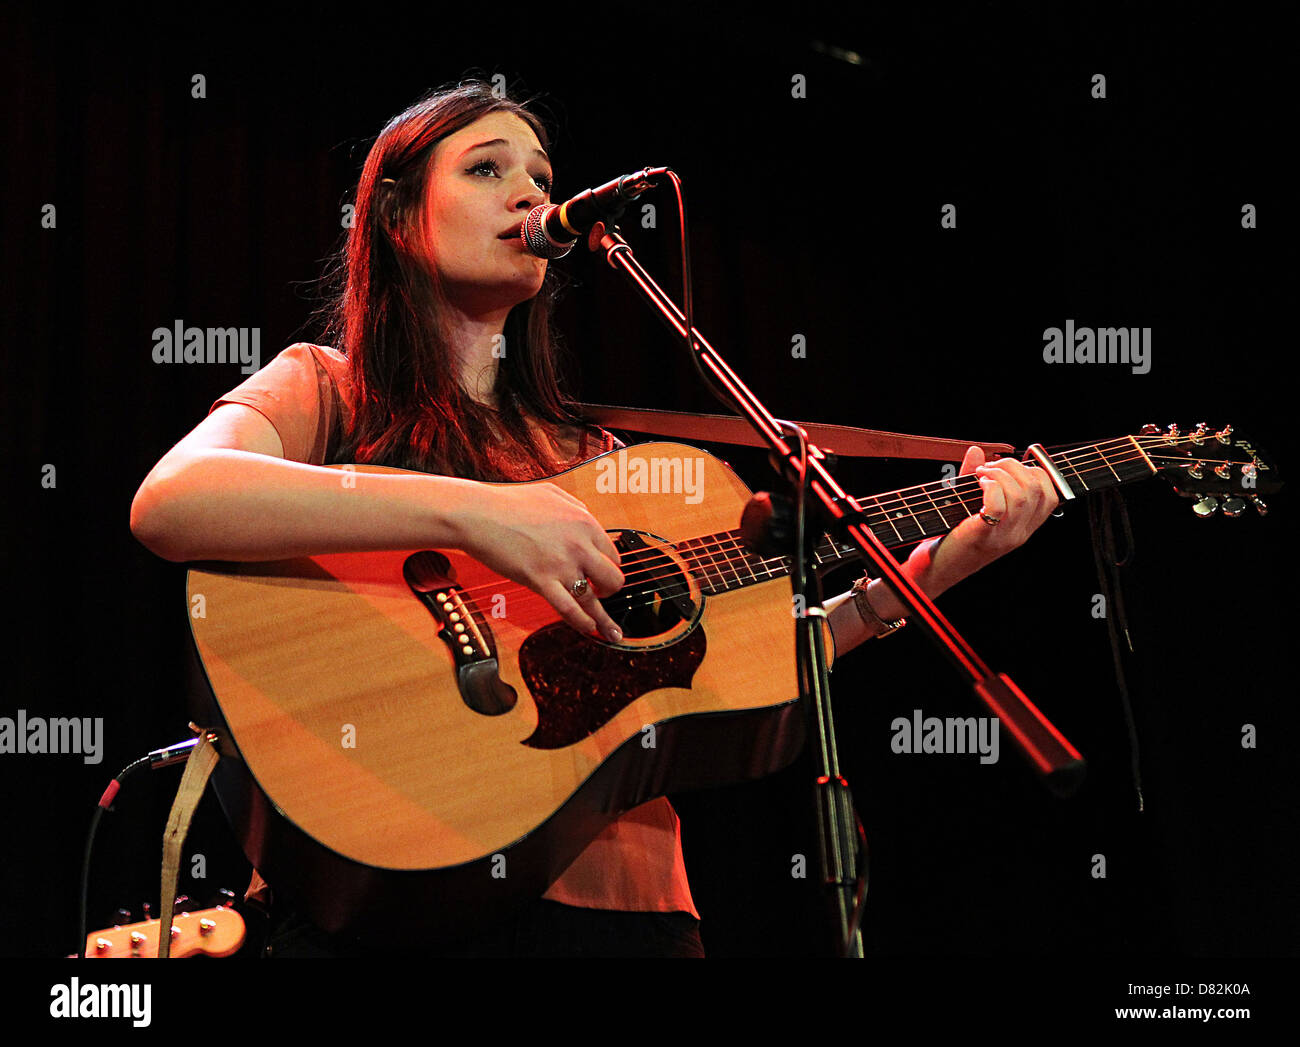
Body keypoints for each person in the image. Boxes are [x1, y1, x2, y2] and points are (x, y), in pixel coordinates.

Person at [129, 80, 1059, 958]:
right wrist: (477, 514)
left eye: (541, 175)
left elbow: (745, 664)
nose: (530, 194)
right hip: (383, 874)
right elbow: (173, 502)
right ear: (398, 216)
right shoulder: (327, 388)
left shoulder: (610, 465)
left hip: (627, 912)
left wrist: (933, 573)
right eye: (487, 168)